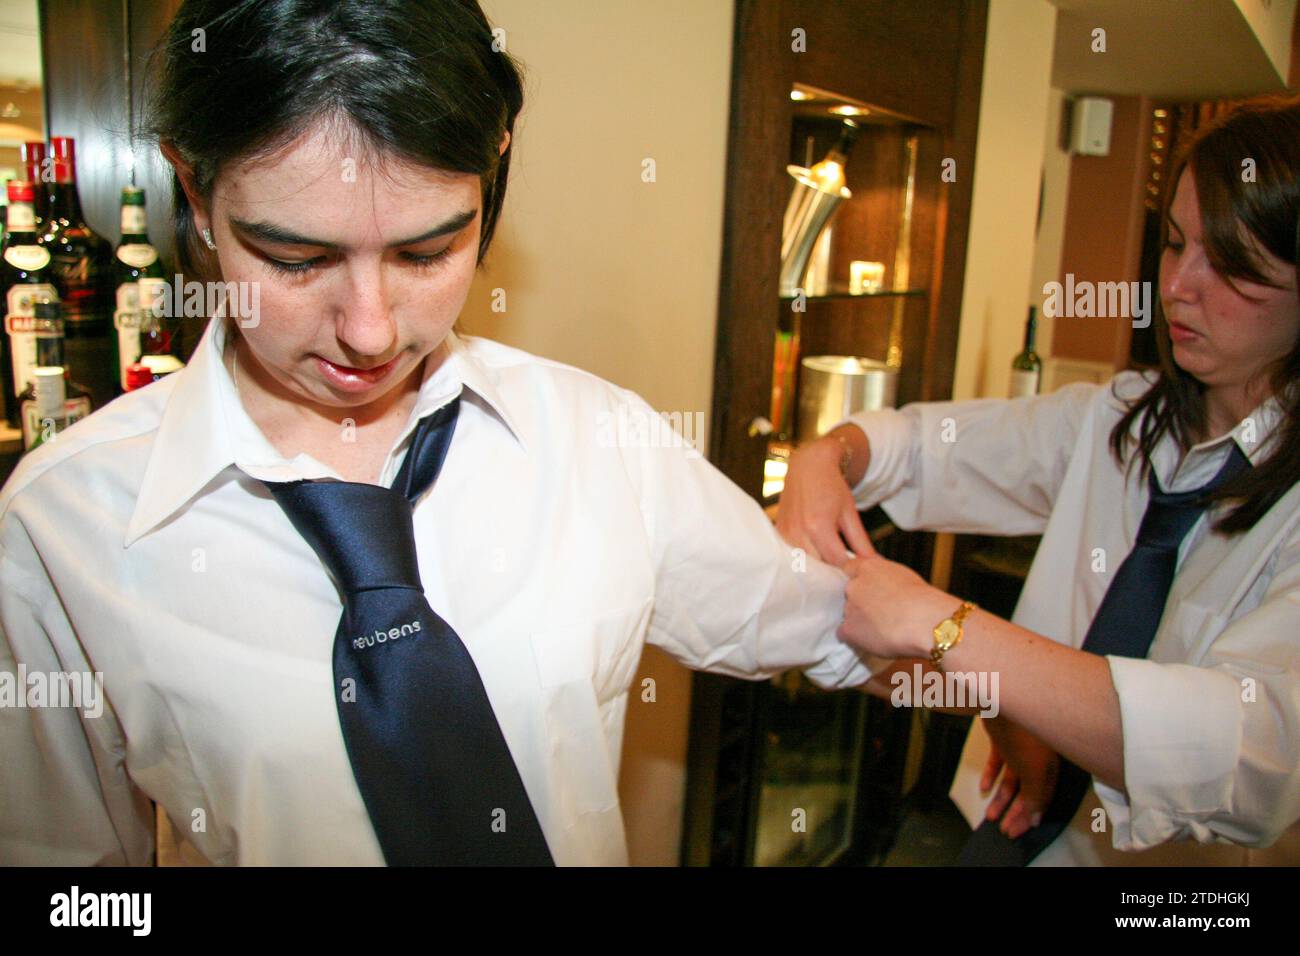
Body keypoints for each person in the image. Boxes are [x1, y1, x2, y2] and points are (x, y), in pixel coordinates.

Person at [0, 0, 877, 866]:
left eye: (427, 254)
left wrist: (977, 653)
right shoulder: (63, 526)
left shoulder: (596, 438)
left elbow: (824, 620)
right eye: (296, 259)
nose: (371, 331)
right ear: (193, 192)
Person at [778, 94, 1300, 865]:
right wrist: (826, 456)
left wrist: (947, 628)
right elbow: (927, 445)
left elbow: (1245, 752)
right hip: (995, 820)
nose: (1180, 286)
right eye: (1175, 243)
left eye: (1229, 264)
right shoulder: (1114, 420)